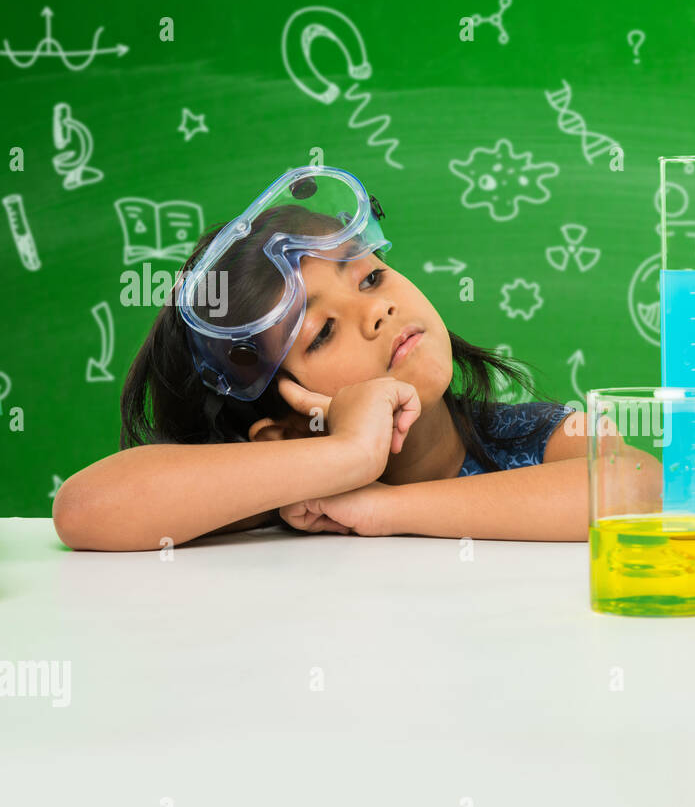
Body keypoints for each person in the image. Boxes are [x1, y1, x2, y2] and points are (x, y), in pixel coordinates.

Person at [52, 167, 591, 551]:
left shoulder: (531, 438)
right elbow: (85, 510)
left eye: (370, 276)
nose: (375, 311)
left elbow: (635, 487)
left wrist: (382, 508)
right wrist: (348, 455)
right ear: (284, 435)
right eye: (323, 332)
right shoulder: (298, 500)